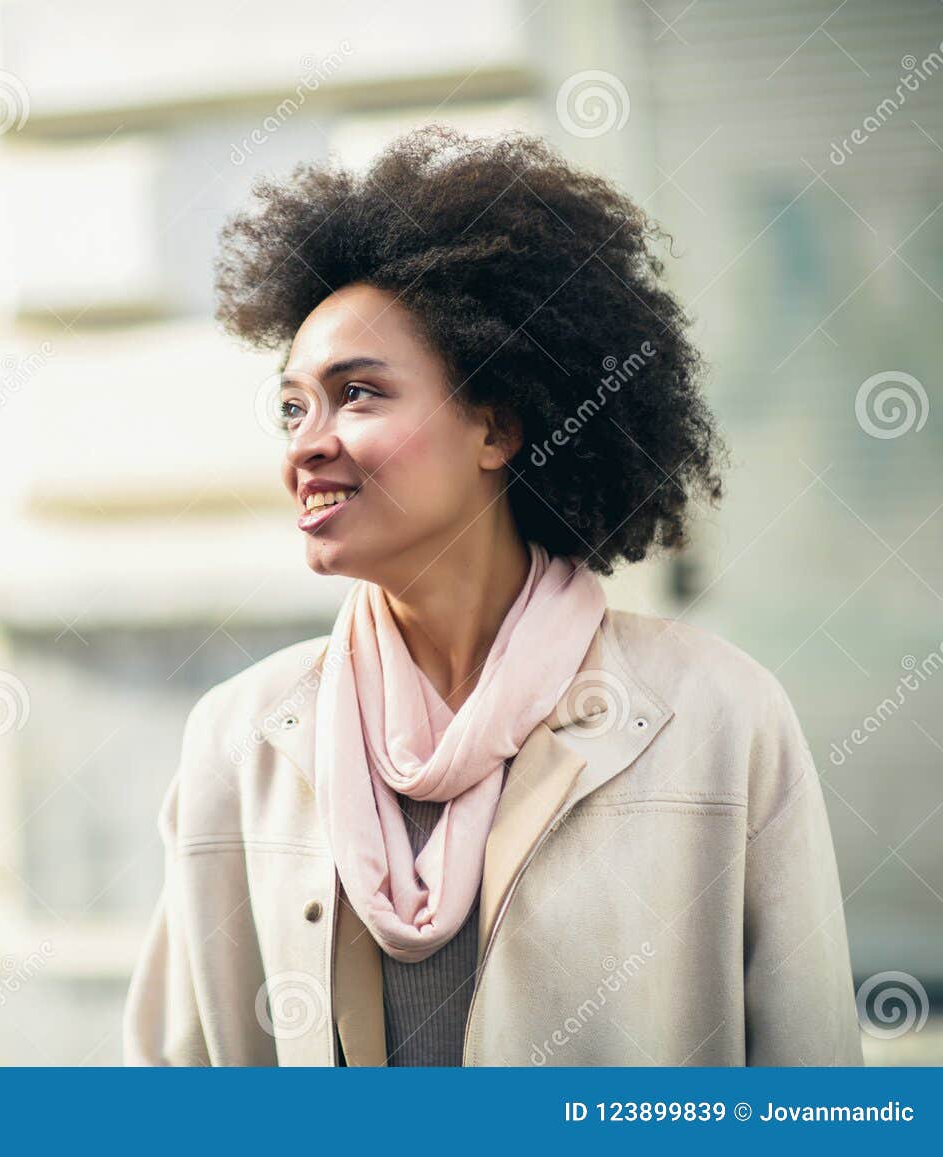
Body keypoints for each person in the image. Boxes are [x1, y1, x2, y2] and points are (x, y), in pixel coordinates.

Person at [122, 126, 863, 1066]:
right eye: (292, 405)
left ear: (498, 426)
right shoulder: (240, 737)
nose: (306, 443)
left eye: (358, 393)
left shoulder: (717, 716)